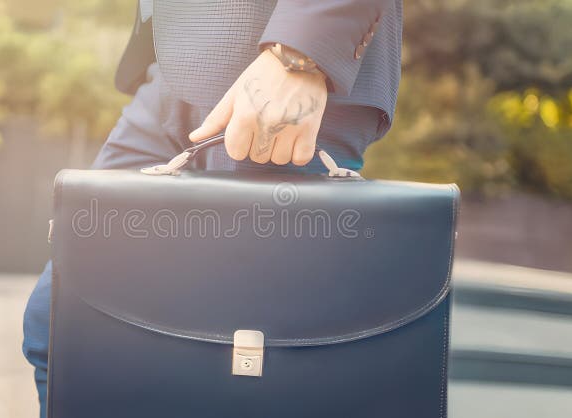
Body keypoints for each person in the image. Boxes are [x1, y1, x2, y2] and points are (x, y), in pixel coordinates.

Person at [23, 0, 402, 416]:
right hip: (172, 69)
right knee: (64, 329)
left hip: (275, 78)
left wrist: (300, 55)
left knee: (250, 366)